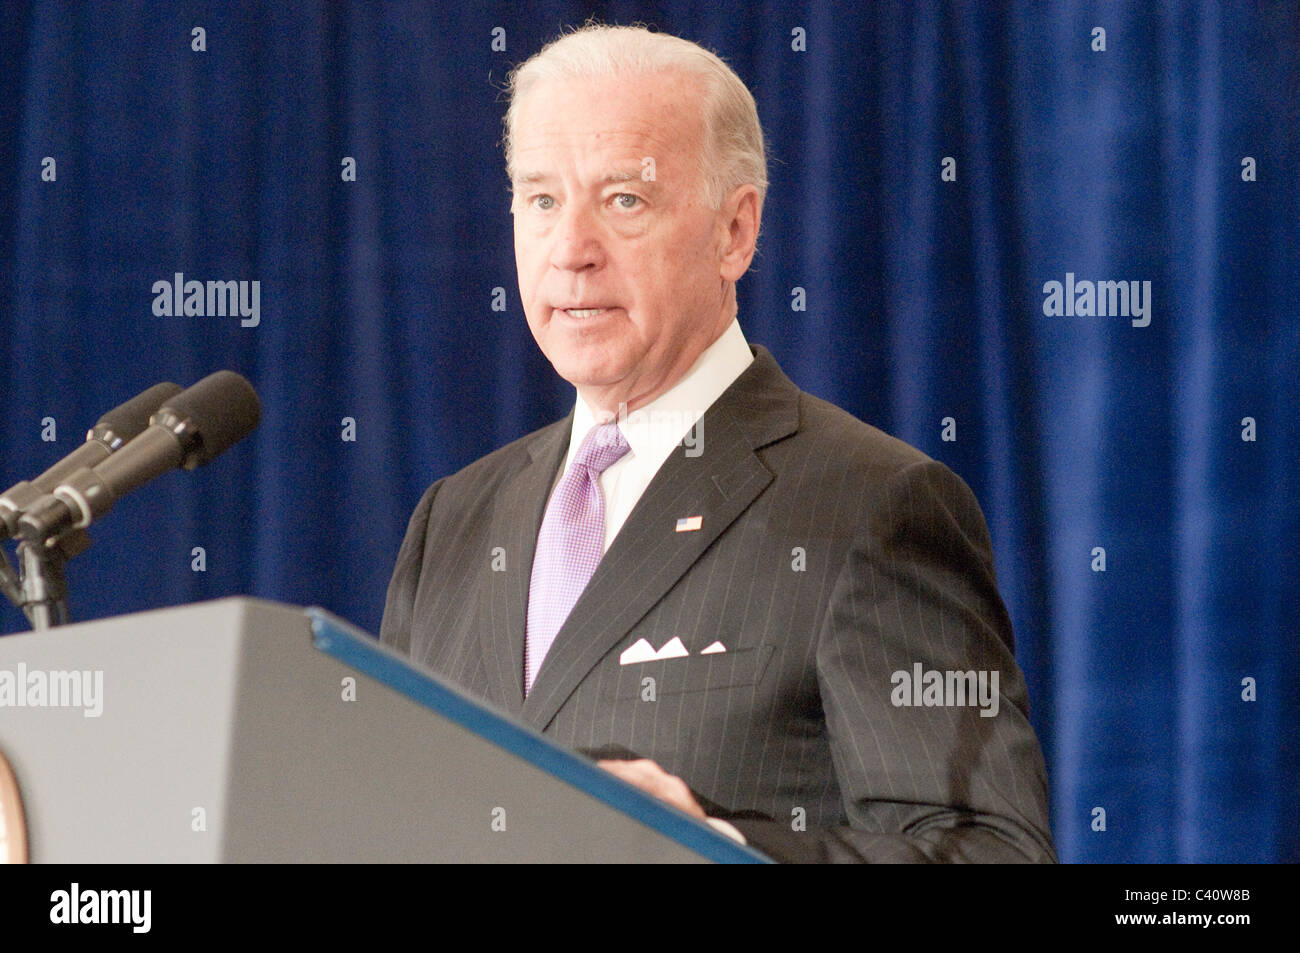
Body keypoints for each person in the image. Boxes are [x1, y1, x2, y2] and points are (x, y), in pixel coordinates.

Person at [380, 24, 1056, 863]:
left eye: (624, 199)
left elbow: (992, 851)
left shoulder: (870, 505)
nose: (571, 251)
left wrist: (716, 847)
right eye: (542, 199)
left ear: (735, 232)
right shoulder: (452, 520)